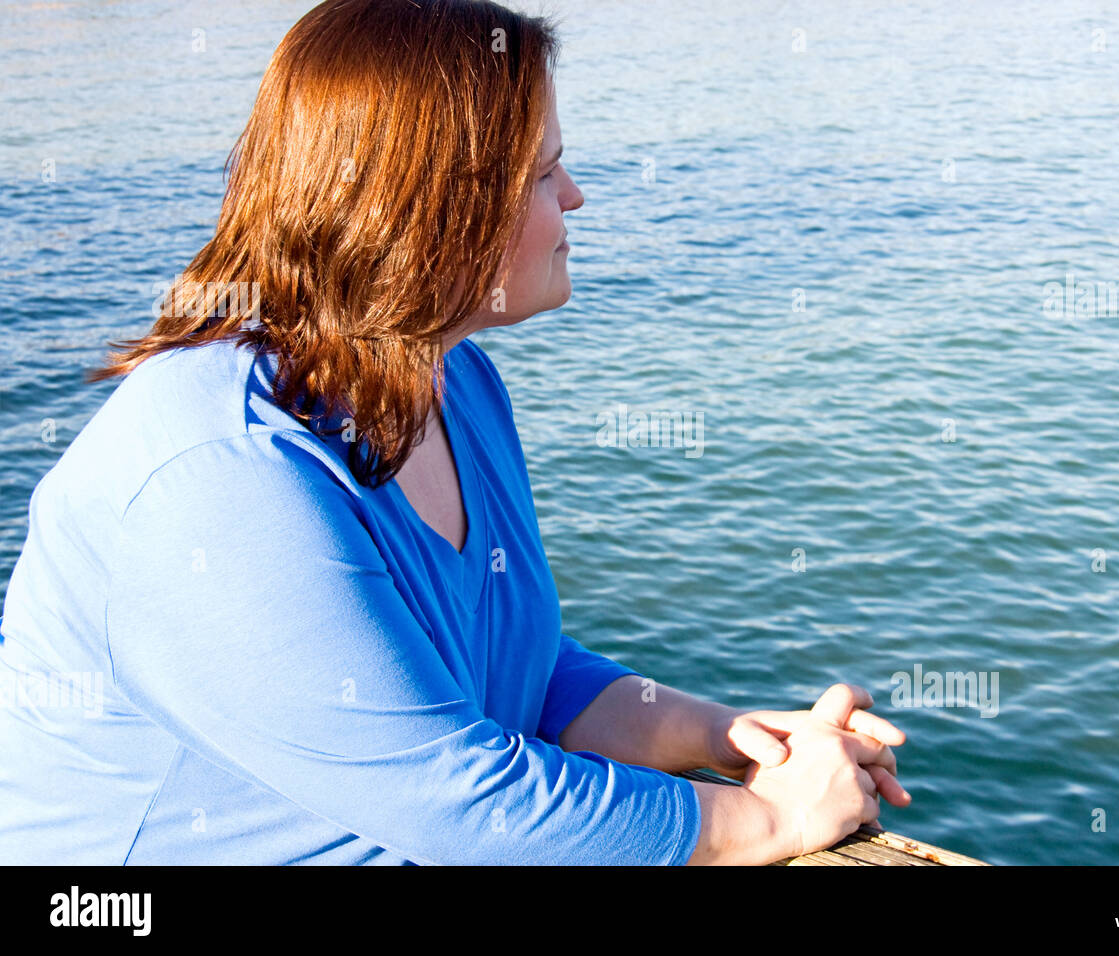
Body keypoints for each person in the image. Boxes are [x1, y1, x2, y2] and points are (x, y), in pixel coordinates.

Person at [0, 0, 909, 866]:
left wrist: (730, 735)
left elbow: (519, 671)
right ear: (437, 210)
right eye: (545, 173)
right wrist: (769, 819)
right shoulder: (225, 472)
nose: (579, 197)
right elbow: (460, 803)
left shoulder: (450, 378)